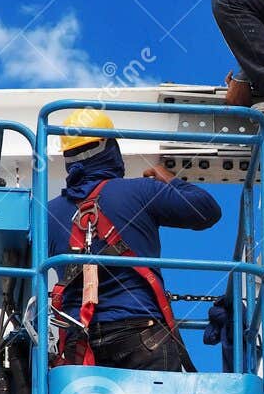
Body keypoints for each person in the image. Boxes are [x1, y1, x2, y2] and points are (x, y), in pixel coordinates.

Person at [47, 108, 222, 372]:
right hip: (142, 334)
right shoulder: (141, 191)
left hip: (77, 346)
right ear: (111, 148)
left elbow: (10, 269)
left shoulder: (46, 214)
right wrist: (172, 181)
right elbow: (207, 212)